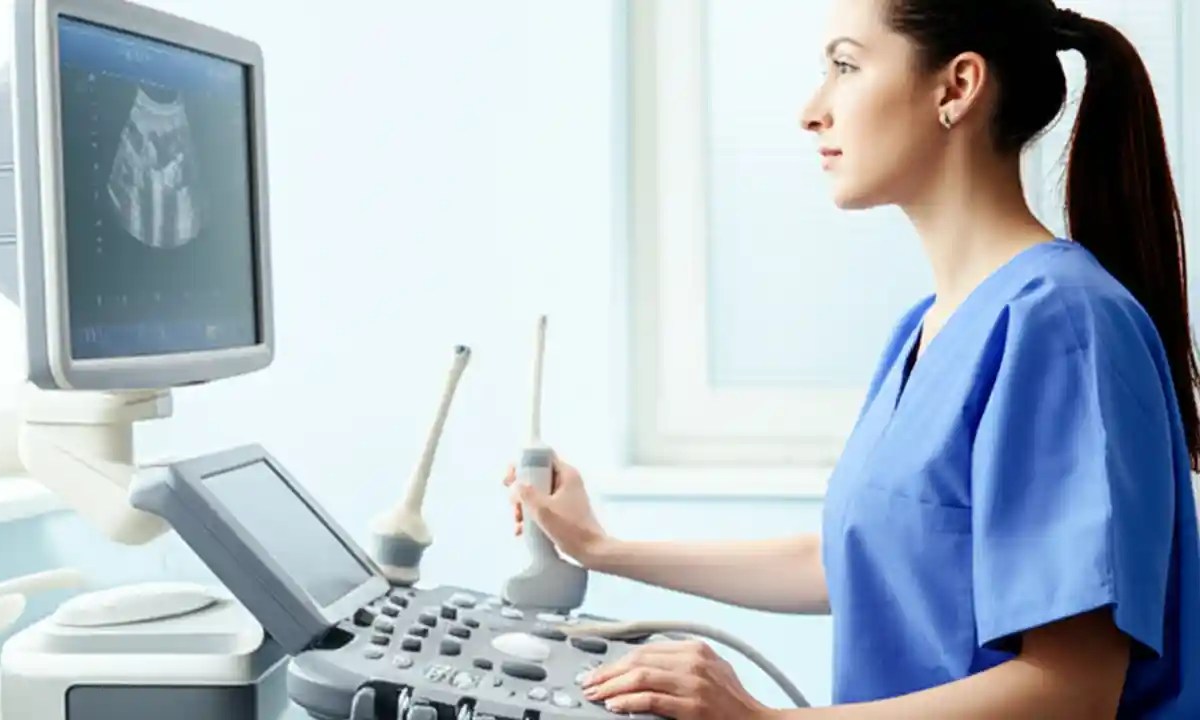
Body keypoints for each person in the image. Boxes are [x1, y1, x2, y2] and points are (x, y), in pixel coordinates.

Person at [503, 0, 1200, 717]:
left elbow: (1071, 691)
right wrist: (602, 549)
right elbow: (859, 561)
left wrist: (760, 718)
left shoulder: (1061, 322)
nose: (812, 112)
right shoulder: (923, 330)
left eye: (845, 66)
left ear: (957, 87)